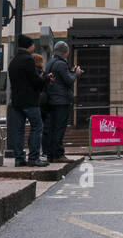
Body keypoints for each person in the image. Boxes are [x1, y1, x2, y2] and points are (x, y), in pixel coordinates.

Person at [7, 35, 49, 168]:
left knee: (18, 130)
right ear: (29, 45)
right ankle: (33, 158)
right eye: (32, 44)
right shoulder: (28, 60)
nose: (34, 47)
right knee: (37, 127)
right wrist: (46, 79)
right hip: (29, 101)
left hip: (16, 102)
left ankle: (19, 159)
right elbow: (35, 81)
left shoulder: (13, 61)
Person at [44, 40, 82, 162]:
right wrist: (76, 74)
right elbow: (69, 81)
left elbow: (60, 77)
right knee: (59, 128)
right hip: (61, 100)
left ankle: (50, 154)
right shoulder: (61, 64)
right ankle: (59, 154)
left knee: (52, 127)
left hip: (51, 99)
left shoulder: (50, 62)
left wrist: (69, 72)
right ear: (65, 53)